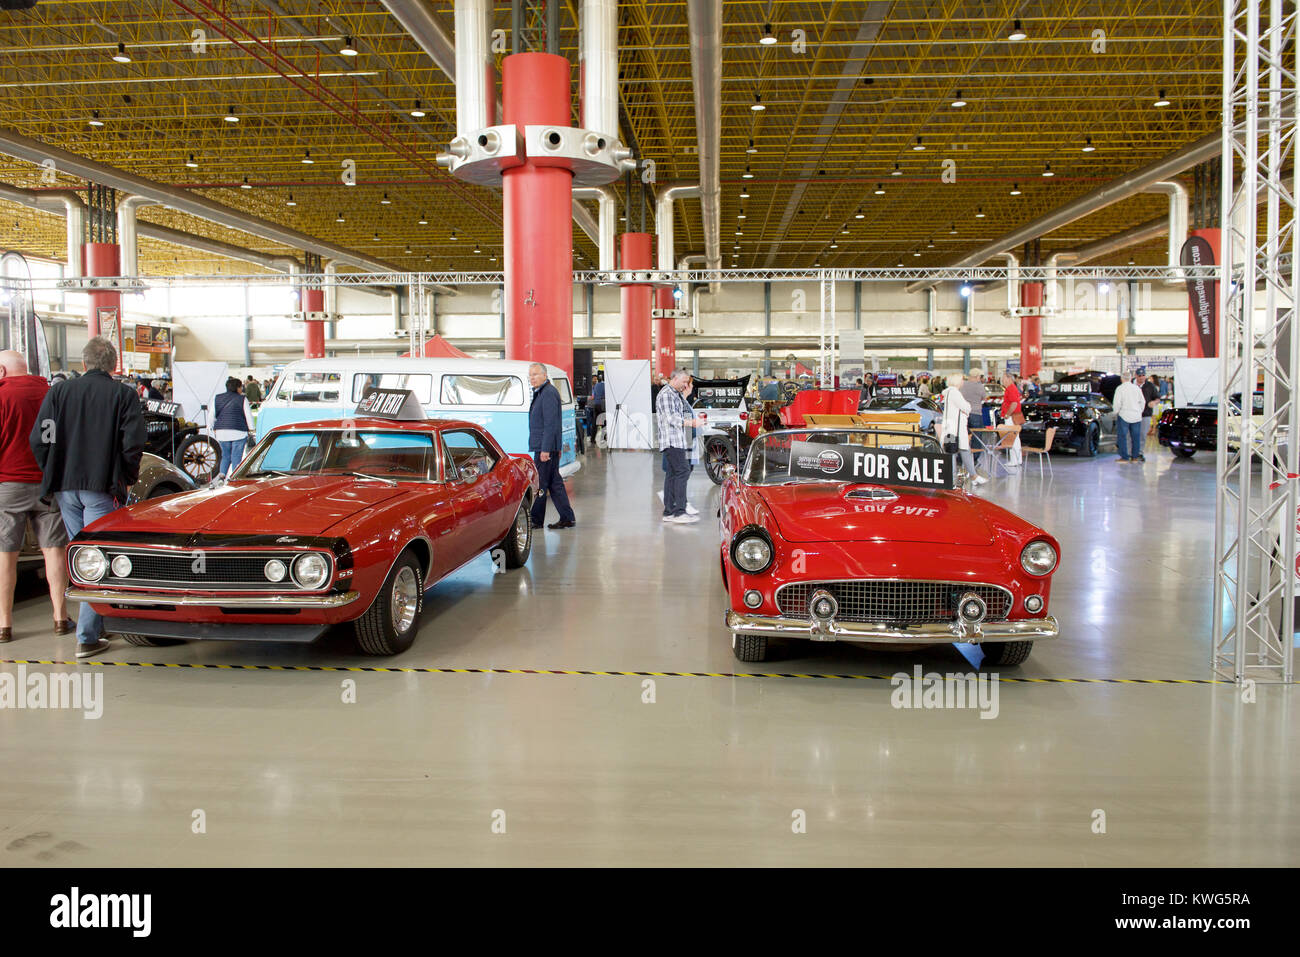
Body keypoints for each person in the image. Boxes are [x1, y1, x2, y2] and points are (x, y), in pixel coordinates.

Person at [30, 337, 145, 659]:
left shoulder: (58, 392)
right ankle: (88, 635)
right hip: (101, 487)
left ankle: (95, 623)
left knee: (80, 556)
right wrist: (126, 477)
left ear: (83, 364)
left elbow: (42, 436)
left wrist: (52, 467)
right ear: (113, 365)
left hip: (65, 486)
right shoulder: (122, 395)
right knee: (97, 559)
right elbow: (132, 442)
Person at [0, 350, 71, 643]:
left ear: (2, 371)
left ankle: (4, 624)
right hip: (48, 485)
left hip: (8, 485)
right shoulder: (51, 394)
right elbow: (61, 439)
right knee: (53, 551)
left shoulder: (2, 396)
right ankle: (61, 618)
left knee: (6, 554)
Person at [527, 362, 575, 529]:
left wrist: (546, 449)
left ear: (545, 375)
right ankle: (567, 517)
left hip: (544, 447)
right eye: (530, 375)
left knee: (541, 483)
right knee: (555, 482)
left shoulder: (548, 393)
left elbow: (550, 424)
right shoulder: (542, 392)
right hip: (545, 446)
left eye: (535, 374)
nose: (531, 378)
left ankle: (536, 519)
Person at [656, 369, 703, 524]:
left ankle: (669, 512)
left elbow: (682, 410)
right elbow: (671, 418)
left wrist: (686, 395)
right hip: (672, 441)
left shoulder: (675, 394)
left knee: (672, 474)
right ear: (674, 378)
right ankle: (679, 512)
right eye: (683, 381)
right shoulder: (666, 395)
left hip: (677, 441)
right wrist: (691, 423)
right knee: (682, 471)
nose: (685, 385)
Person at [940, 373, 985, 486]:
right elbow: (966, 407)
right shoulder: (955, 393)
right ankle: (968, 477)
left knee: (952, 452)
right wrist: (967, 406)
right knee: (963, 451)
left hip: (949, 429)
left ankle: (959, 477)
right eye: (961, 380)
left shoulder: (948, 393)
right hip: (956, 429)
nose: (963, 382)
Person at [213, 376, 254, 477]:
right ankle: (235, 478)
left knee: (225, 456)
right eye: (241, 387)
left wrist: (213, 428)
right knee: (236, 456)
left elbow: (212, 415)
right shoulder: (242, 399)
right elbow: (248, 415)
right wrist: (252, 429)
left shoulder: (217, 398)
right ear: (237, 388)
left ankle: (221, 476)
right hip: (238, 432)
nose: (241, 389)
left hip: (221, 432)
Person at [1113, 373, 1145, 463]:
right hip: (1136, 416)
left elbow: (1117, 403)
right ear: (1131, 378)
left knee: (1122, 437)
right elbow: (1143, 401)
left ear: (1121, 379)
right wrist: (1139, 411)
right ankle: (1135, 457)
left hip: (1124, 415)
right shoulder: (1137, 388)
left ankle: (1124, 457)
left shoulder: (1120, 388)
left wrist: (1116, 412)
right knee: (1136, 437)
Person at [959, 372, 987, 463]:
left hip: (964, 413)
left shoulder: (963, 385)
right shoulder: (980, 386)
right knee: (977, 436)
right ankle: (974, 456)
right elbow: (984, 398)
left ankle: (961, 456)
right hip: (976, 413)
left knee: (963, 435)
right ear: (977, 376)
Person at [1000, 372, 1024, 467]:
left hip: (1011, 417)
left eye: (1003, 379)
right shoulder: (1011, 388)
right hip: (1013, 416)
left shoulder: (1011, 389)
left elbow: (1014, 404)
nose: (1002, 381)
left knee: (1012, 439)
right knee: (1015, 439)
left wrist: (1007, 414)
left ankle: (1014, 460)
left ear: (1009, 379)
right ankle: (1017, 460)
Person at [588, 372, 605, 442]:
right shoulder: (605, 385)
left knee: (595, 423)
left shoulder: (595, 386)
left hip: (596, 405)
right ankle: (603, 439)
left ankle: (592, 439)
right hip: (602, 405)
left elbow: (593, 396)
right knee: (604, 422)